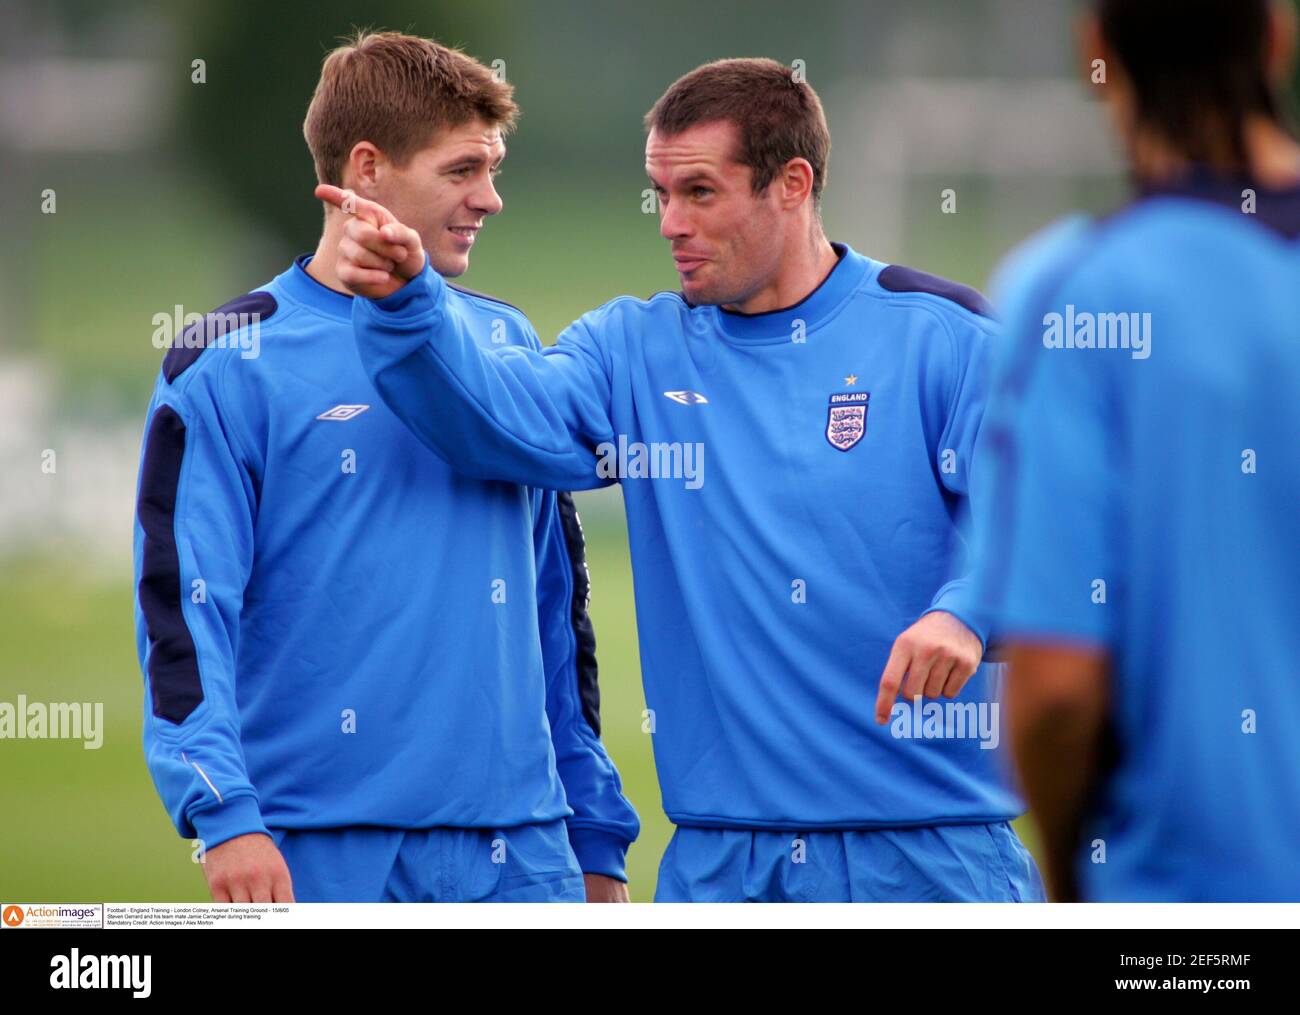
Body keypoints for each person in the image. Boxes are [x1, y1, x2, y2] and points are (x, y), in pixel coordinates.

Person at [327, 58, 1043, 902]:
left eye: (699, 192)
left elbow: (1050, 520)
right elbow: (499, 420)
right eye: (660, 194)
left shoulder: (945, 337)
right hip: (720, 866)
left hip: (931, 852)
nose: (670, 222)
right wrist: (411, 304)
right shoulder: (633, 350)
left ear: (792, 184)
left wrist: (966, 613)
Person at [132, 30, 638, 904]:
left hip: (523, 856)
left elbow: (561, 613)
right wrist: (225, 815)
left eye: (495, 169)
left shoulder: (507, 341)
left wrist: (592, 826)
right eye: (462, 170)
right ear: (366, 169)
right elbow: (184, 610)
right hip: (313, 855)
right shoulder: (221, 360)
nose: (491, 198)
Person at [973, 0, 1300, 901]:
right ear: (1277, 37)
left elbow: (1056, 686)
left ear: (1098, 57)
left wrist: (1078, 885)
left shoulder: (1075, 293)